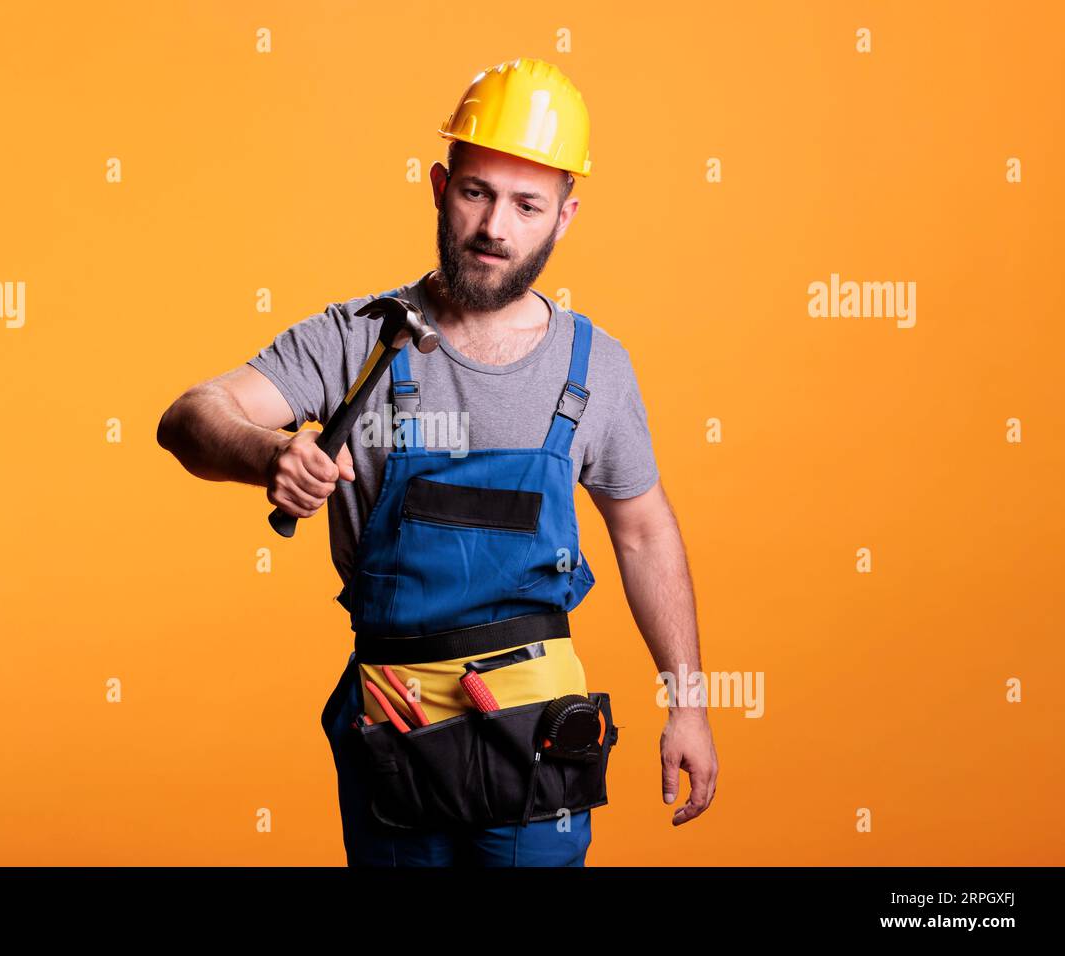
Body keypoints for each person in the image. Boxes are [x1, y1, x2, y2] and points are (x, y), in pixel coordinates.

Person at [157, 57, 717, 866]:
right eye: (477, 192)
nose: (496, 227)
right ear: (438, 186)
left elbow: (645, 535)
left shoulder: (595, 370)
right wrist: (268, 452)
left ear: (564, 218)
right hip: (395, 733)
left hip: (537, 748)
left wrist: (689, 705)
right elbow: (187, 419)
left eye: (528, 205)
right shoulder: (357, 339)